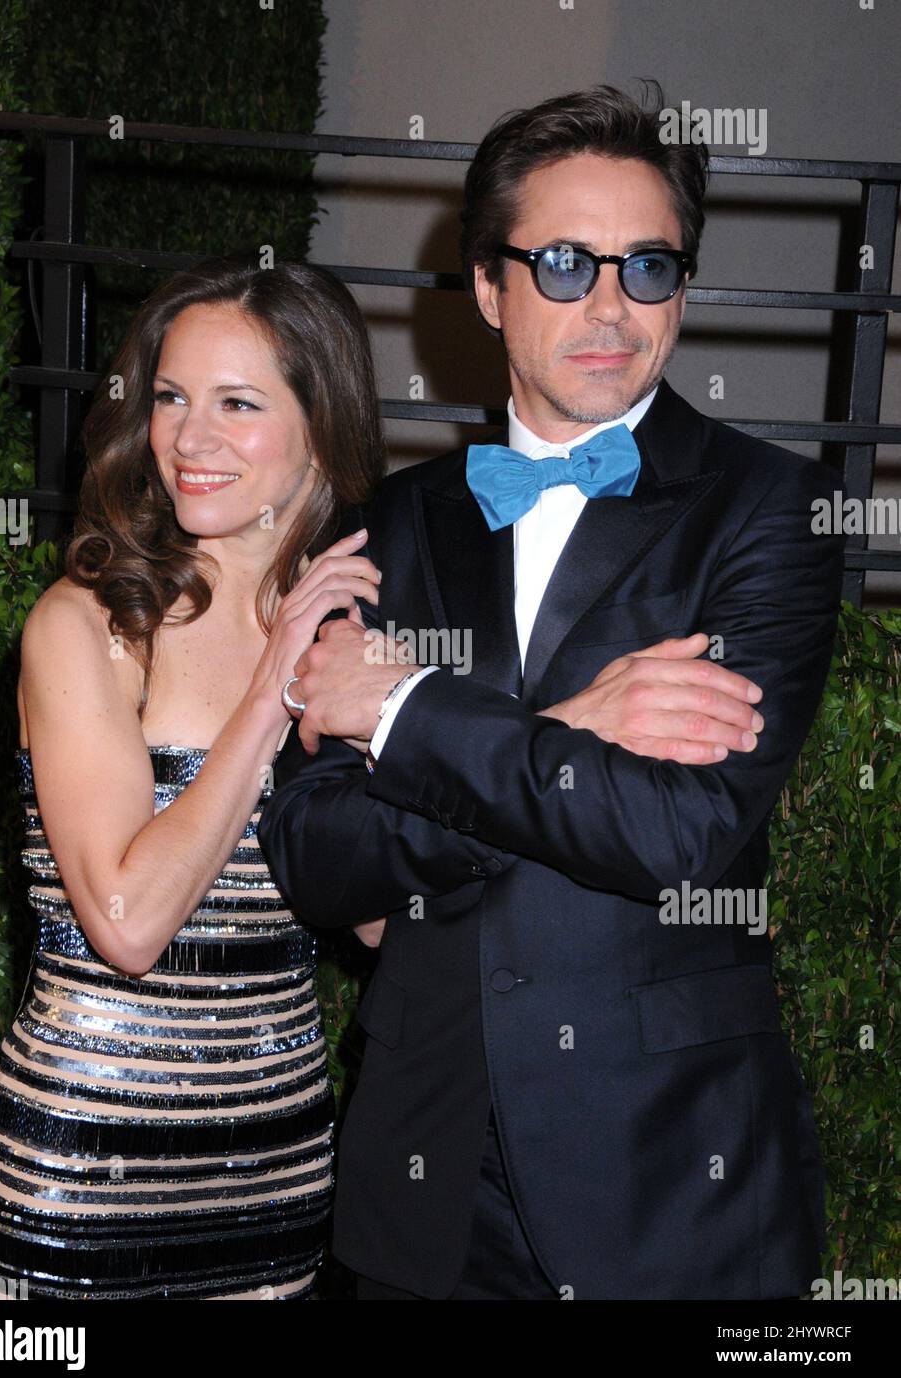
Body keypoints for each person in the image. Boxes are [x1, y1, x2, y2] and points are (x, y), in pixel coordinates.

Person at [257, 84, 846, 1300]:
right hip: (426, 1181)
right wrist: (574, 731)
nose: (611, 307)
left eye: (648, 266)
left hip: (675, 1180)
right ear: (488, 287)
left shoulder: (768, 510)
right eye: (567, 263)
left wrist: (406, 713)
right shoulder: (388, 527)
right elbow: (318, 854)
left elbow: (671, 831)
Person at [0, 255, 384, 1299]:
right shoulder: (87, 624)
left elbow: (380, 927)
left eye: (237, 404)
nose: (189, 439)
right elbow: (128, 923)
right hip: (78, 1171)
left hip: (276, 1169)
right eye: (170, 398)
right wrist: (269, 698)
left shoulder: (360, 637)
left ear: (320, 431)